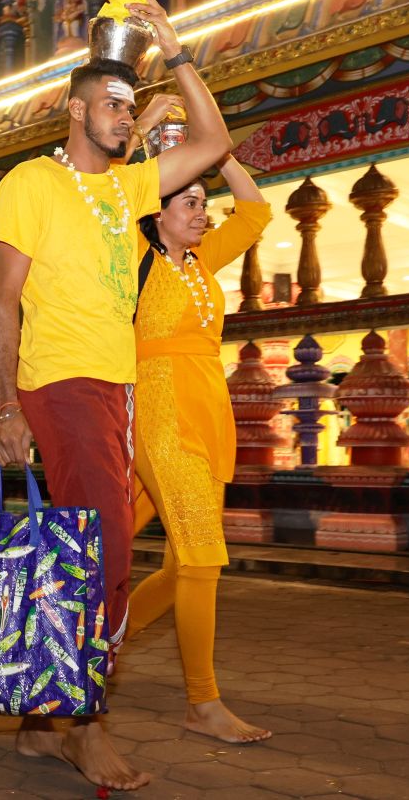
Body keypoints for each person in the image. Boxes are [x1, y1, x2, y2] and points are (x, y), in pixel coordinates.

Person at [0, 0, 232, 791]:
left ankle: (37, 724)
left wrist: (177, 51)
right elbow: (2, 302)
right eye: (113, 105)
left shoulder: (126, 191)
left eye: (132, 107)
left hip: (117, 389)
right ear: (73, 108)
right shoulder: (30, 183)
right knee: (107, 555)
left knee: (77, 554)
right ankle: (84, 725)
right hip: (57, 384)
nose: (126, 119)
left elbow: (213, 142)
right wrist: (7, 406)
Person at [126, 156, 272, 743]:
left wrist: (221, 158)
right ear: (155, 213)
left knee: (180, 563)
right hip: (161, 416)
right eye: (187, 202)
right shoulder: (135, 261)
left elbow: (256, 212)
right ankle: (202, 701)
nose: (202, 213)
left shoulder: (201, 262)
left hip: (208, 410)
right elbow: (113, 203)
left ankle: (100, 648)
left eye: (202, 202)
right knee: (203, 558)